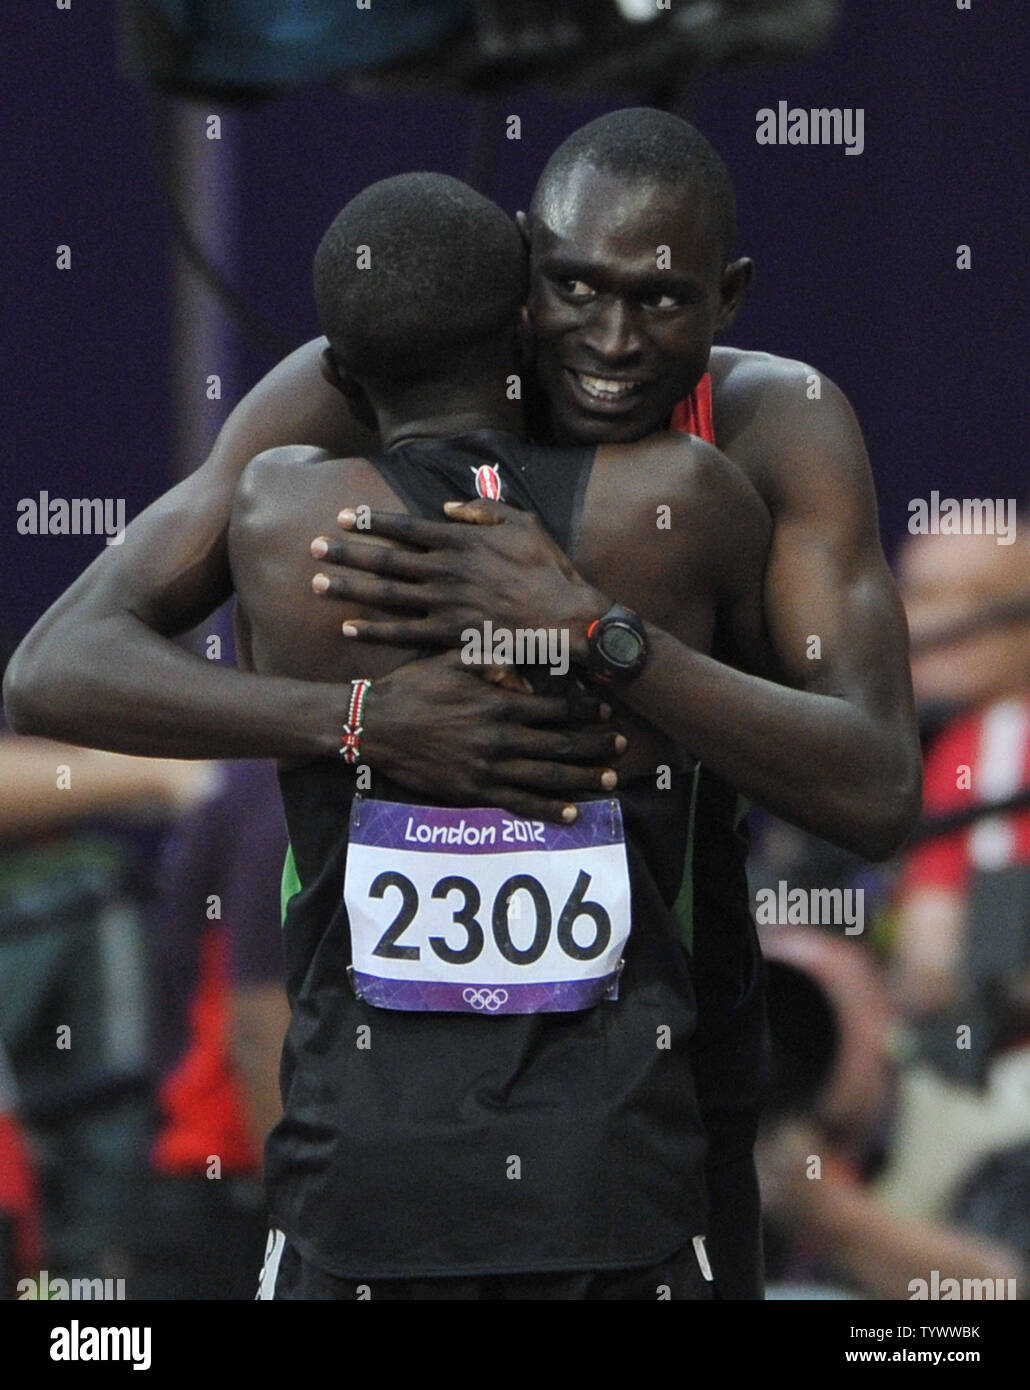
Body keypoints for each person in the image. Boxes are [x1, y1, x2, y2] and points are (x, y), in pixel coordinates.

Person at [4, 108, 922, 1296]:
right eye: (575, 289)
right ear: (518, 272)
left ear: (729, 296)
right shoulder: (364, 380)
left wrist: (603, 632)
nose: (610, 340)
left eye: (661, 301)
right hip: (378, 1121)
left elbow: (876, 785)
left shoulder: (772, 426)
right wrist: (354, 719)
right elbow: (59, 663)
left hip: (663, 1084)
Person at [234, 169, 772, 1297]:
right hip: (615, 1187)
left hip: (359, 1192)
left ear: (338, 376)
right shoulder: (681, 501)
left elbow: (55, 672)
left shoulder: (282, 520)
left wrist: (356, 714)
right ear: (529, 312)